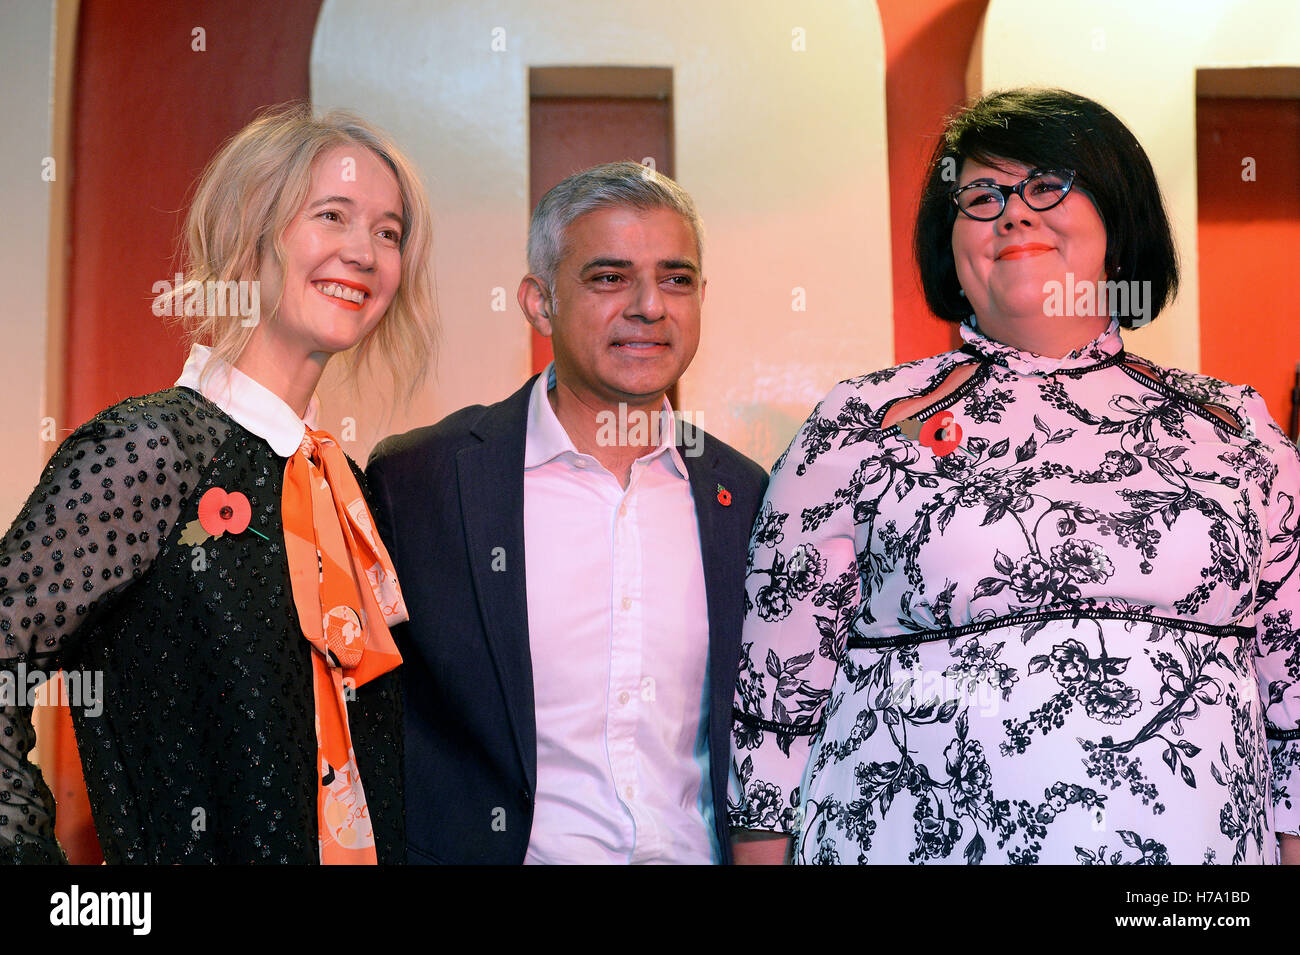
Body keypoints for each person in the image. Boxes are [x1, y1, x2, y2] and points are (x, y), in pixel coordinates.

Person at [729, 88, 1300, 865]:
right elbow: (773, 699)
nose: (1013, 214)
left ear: (1120, 219)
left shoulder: (1236, 429)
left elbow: (1293, 701)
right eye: (982, 193)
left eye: (1045, 186)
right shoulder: (860, 422)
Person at [0, 104, 436, 864]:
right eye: (332, 215)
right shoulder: (148, 448)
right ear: (246, 236)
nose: (364, 252)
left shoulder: (346, 490)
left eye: (388, 231)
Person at [367, 161, 766, 864]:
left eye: (676, 278)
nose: (650, 305)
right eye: (609, 277)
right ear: (539, 301)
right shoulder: (420, 483)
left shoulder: (747, 495)